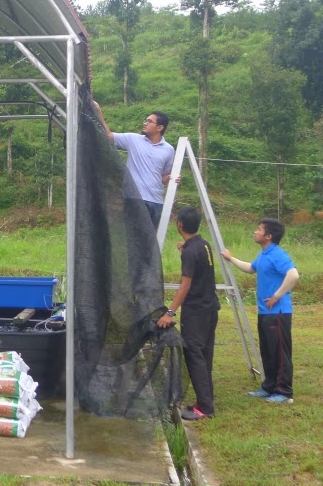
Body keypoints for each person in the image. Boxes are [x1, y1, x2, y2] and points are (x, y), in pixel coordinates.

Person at [221, 218, 299, 404]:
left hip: (278, 313)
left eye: (259, 230)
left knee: (280, 352)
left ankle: (284, 391)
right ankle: (268, 387)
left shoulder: (278, 254)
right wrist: (230, 258)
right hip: (265, 312)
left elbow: (293, 275)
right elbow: (250, 268)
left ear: (269, 236)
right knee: (268, 351)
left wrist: (277, 296)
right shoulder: (264, 254)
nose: (255, 232)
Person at [156, 207, 220, 421]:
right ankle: (206, 400)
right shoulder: (203, 245)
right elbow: (199, 265)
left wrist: (170, 312)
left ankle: (205, 408)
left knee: (194, 355)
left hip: (196, 312)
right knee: (205, 354)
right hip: (210, 308)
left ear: (179, 224)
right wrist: (186, 251)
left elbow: (185, 284)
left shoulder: (191, 252)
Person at [91, 100, 175, 227]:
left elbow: (164, 178)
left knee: (151, 243)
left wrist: (170, 178)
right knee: (134, 241)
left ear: (160, 127)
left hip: (156, 201)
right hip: (135, 199)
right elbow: (108, 136)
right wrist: (98, 110)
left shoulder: (168, 149)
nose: (145, 123)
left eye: (149, 121)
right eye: (145, 120)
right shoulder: (133, 139)